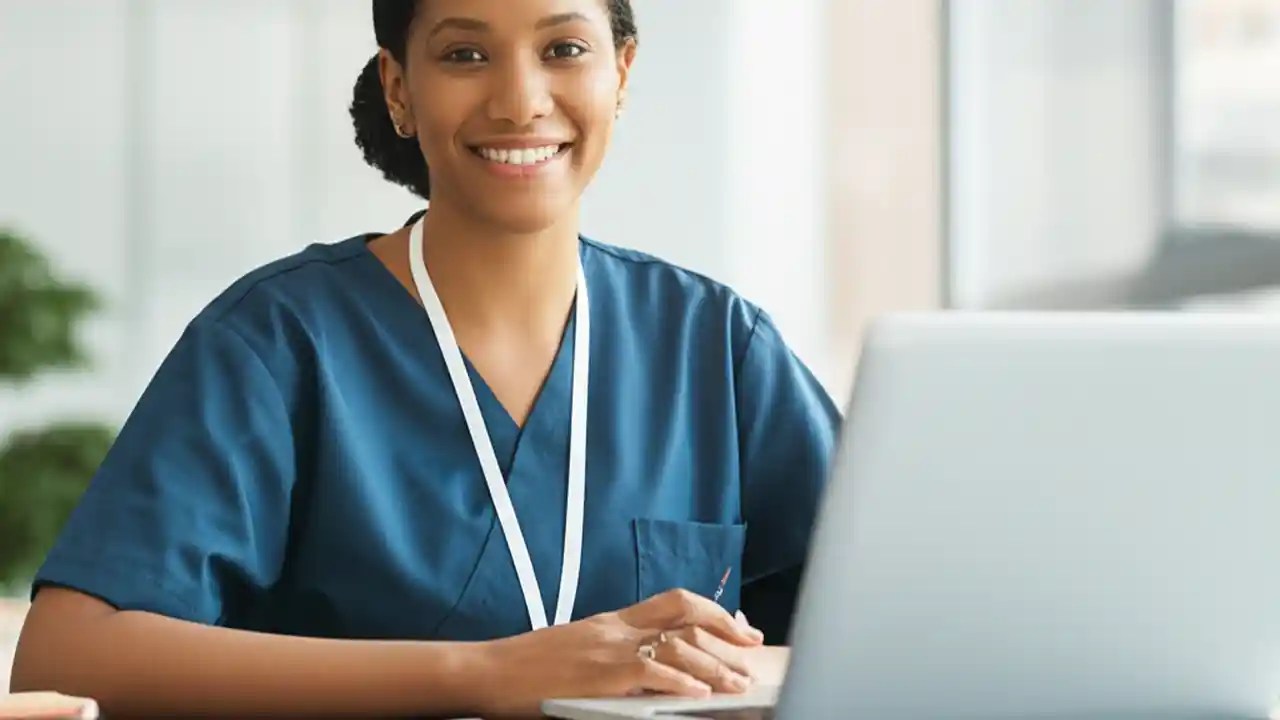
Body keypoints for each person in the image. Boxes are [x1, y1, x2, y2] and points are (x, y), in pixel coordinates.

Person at [10, 0, 840, 716]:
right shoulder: (279, 342)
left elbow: (899, 627)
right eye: (465, 54)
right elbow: (69, 656)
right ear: (400, 89)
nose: (520, 101)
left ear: (621, 72)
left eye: (565, 49)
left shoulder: (718, 346)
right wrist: (485, 673)